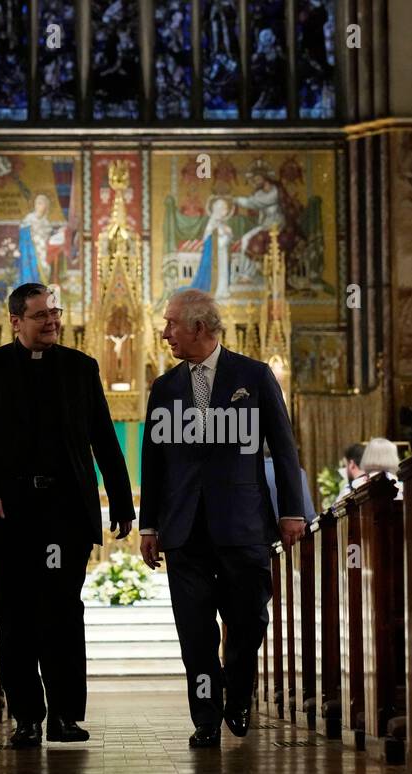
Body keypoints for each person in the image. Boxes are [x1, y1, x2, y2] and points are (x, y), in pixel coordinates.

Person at [0, 283, 134, 748]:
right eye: (40, 315)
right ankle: (27, 718)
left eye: (54, 312)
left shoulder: (81, 368)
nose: (52, 321)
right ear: (15, 321)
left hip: (64, 515)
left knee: (62, 614)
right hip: (9, 516)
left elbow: (104, 439)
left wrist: (121, 499)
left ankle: (65, 717)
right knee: (14, 618)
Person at [138, 288, 306, 749]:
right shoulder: (165, 387)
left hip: (243, 523)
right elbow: (153, 461)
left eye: (171, 323)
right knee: (194, 631)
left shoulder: (253, 376)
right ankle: (206, 717)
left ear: (199, 326)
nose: (165, 332)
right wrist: (149, 525)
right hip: (184, 528)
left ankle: (239, 695)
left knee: (248, 620)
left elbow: (284, 446)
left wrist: (292, 510)